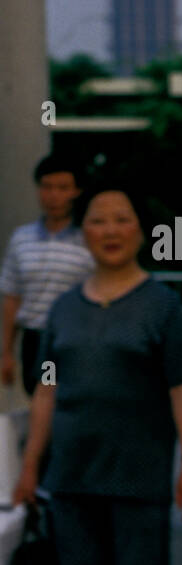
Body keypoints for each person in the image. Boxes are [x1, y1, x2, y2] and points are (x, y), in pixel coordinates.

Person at [12, 183, 182, 565]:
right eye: (98, 221)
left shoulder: (163, 307)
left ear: (139, 231)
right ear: (84, 232)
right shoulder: (63, 309)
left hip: (138, 472)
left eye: (122, 219)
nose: (111, 230)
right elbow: (45, 390)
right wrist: (29, 467)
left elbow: (181, 390)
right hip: (68, 475)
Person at [1, 155, 95, 396]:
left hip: (77, 340)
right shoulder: (22, 238)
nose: (54, 195)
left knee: (73, 405)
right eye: (47, 187)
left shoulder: (89, 239)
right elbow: (12, 297)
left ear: (76, 191)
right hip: (35, 339)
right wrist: (6, 352)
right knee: (40, 404)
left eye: (63, 188)